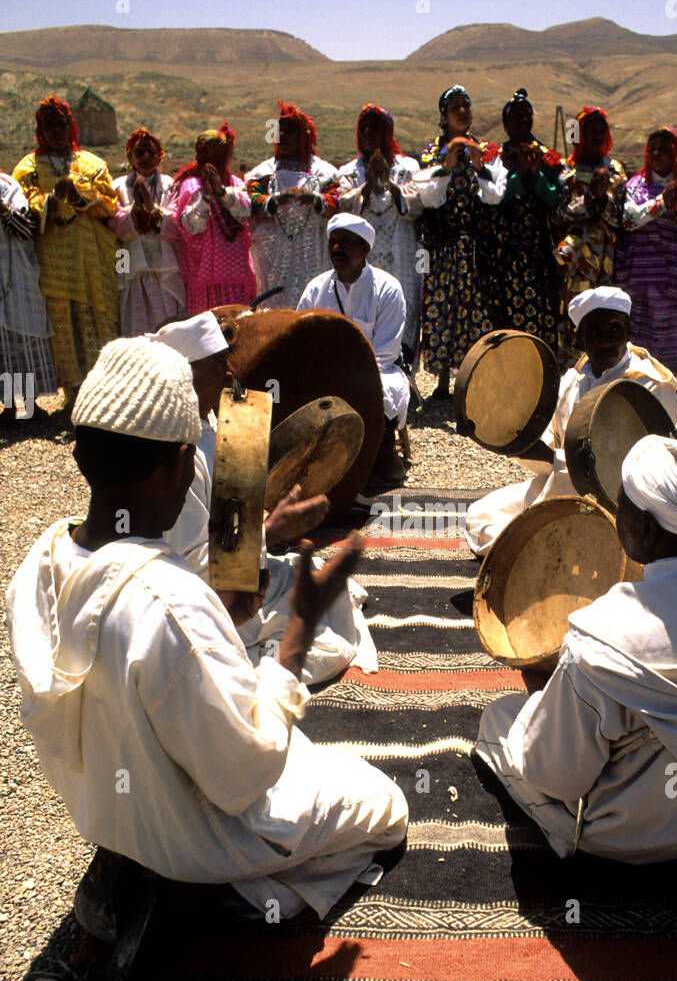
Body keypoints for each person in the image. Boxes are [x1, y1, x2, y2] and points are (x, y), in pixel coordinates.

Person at [4, 337, 408, 920]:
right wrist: (299, 628)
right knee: (385, 806)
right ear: (177, 465)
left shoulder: (37, 565)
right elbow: (246, 773)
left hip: (106, 811)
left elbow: (133, 642)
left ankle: (141, 866)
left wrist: (223, 607)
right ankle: (234, 893)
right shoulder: (168, 603)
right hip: (186, 835)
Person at [475, 436, 677, 864]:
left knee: (499, 717)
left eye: (621, 505)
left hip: (627, 836)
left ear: (644, 528)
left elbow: (555, 777)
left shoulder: (600, 638)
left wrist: (543, 697)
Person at [154, 311, 378, 682]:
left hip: (237, 569)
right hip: (208, 602)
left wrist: (266, 512)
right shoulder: (180, 458)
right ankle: (241, 672)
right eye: (217, 364)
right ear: (185, 375)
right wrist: (268, 533)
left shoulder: (211, 424)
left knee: (321, 582)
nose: (230, 374)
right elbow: (191, 570)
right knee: (330, 646)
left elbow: (228, 518)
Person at [464, 287, 677, 557]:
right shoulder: (572, 382)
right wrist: (520, 445)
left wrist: (556, 460)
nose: (605, 341)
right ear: (578, 339)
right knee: (482, 516)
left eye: (614, 330)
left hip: (628, 506)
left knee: (536, 543)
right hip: (566, 490)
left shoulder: (652, 386)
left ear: (629, 330)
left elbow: (640, 470)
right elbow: (551, 449)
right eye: (594, 333)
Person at [12, 95, 118, 392]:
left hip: (92, 258)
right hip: (53, 262)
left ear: (71, 127)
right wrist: (51, 200)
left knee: (98, 317)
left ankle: (105, 389)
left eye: (61, 124)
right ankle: (72, 392)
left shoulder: (92, 164)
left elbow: (110, 205)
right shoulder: (27, 168)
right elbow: (23, 211)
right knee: (62, 322)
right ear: (40, 130)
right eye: (49, 126)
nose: (56, 131)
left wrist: (79, 196)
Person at [297, 213, 408, 483]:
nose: (336, 249)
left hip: (376, 370)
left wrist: (348, 378)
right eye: (333, 242)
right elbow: (301, 339)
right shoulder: (316, 289)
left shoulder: (387, 289)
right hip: (325, 374)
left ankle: (381, 452)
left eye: (345, 242)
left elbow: (385, 352)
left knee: (381, 388)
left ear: (365, 249)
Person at [413, 85, 507, 400]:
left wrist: (479, 167)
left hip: (477, 247)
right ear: (444, 115)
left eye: (466, 105)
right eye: (455, 106)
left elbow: (496, 196)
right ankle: (441, 382)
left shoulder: (488, 151)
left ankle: (470, 381)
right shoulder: (431, 152)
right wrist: (448, 164)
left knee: (475, 310)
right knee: (442, 308)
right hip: (442, 246)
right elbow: (427, 196)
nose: (462, 111)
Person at [336, 103, 423, 362]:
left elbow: (418, 204)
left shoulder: (408, 167)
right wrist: (366, 187)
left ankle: (404, 377)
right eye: (364, 128)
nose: (368, 133)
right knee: (362, 308)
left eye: (375, 128)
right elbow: (342, 205)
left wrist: (390, 185)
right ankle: (363, 379)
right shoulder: (349, 171)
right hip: (363, 256)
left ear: (388, 132)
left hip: (401, 252)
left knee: (402, 308)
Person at [615, 125, 677, 373]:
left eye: (663, 149)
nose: (656, 154)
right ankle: (639, 385)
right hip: (643, 274)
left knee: (669, 334)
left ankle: (665, 386)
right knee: (640, 331)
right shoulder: (636, 185)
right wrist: (661, 203)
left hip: (674, 278)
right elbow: (630, 220)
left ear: (674, 152)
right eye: (652, 149)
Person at [482, 88, 563, 349]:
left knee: (540, 314)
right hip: (503, 251)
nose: (523, 120)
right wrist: (519, 176)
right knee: (504, 317)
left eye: (527, 115)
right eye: (516, 116)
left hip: (538, 251)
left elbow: (555, 200)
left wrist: (536, 176)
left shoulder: (548, 158)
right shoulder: (494, 158)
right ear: (505, 123)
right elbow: (493, 197)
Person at [245, 102, 338, 310]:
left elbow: (336, 200)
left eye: (290, 132)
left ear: (303, 136)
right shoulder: (263, 172)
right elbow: (250, 202)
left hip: (313, 254)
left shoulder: (324, 171)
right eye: (280, 132)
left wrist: (315, 199)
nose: (283, 136)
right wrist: (274, 201)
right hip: (274, 258)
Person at [551, 105, 626, 353]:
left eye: (601, 131)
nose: (596, 137)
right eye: (590, 131)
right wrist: (588, 200)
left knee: (604, 312)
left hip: (606, 256)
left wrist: (602, 200)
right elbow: (557, 213)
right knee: (572, 313)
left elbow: (622, 218)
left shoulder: (615, 171)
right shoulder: (566, 170)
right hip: (573, 260)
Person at [171, 123, 255, 314]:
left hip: (235, 274)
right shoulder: (191, 186)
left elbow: (244, 214)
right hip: (203, 278)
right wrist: (206, 197)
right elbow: (191, 227)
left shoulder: (236, 183)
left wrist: (221, 192)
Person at [110, 128, 185, 335]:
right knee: (133, 312)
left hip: (165, 263)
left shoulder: (171, 185)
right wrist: (133, 213)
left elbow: (178, 221)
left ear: (160, 157)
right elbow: (112, 224)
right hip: (129, 260)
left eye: (151, 153)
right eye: (139, 152)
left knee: (168, 321)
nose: (145, 157)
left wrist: (153, 210)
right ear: (129, 157)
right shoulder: (117, 187)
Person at [0, 169, 55, 424]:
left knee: (27, 341)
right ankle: (10, 407)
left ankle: (31, 406)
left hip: (19, 273)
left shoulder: (9, 188)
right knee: (4, 345)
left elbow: (25, 229)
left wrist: (2, 209)